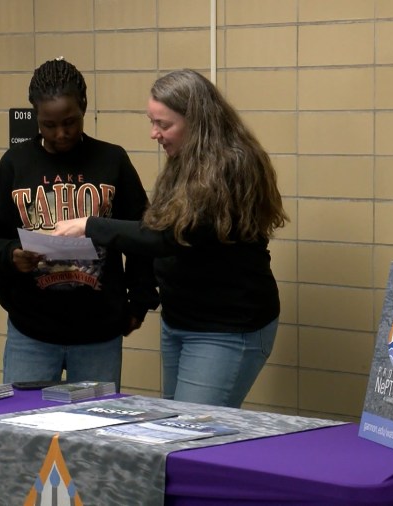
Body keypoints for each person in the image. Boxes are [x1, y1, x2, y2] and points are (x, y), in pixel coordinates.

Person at [54, 69, 288, 408]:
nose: (155, 134)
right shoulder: (186, 159)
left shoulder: (232, 164)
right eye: (152, 122)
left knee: (193, 434)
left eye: (164, 125)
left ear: (197, 121)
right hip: (182, 320)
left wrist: (90, 225)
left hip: (226, 328)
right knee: (174, 430)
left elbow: (169, 237)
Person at [0, 58, 159, 390]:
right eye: (48, 125)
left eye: (70, 122)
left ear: (84, 108)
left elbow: (141, 237)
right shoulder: (15, 163)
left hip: (98, 331)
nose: (61, 133)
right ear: (36, 118)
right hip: (31, 330)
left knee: (92, 432)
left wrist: (140, 303)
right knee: (23, 428)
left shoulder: (112, 160)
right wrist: (14, 255)